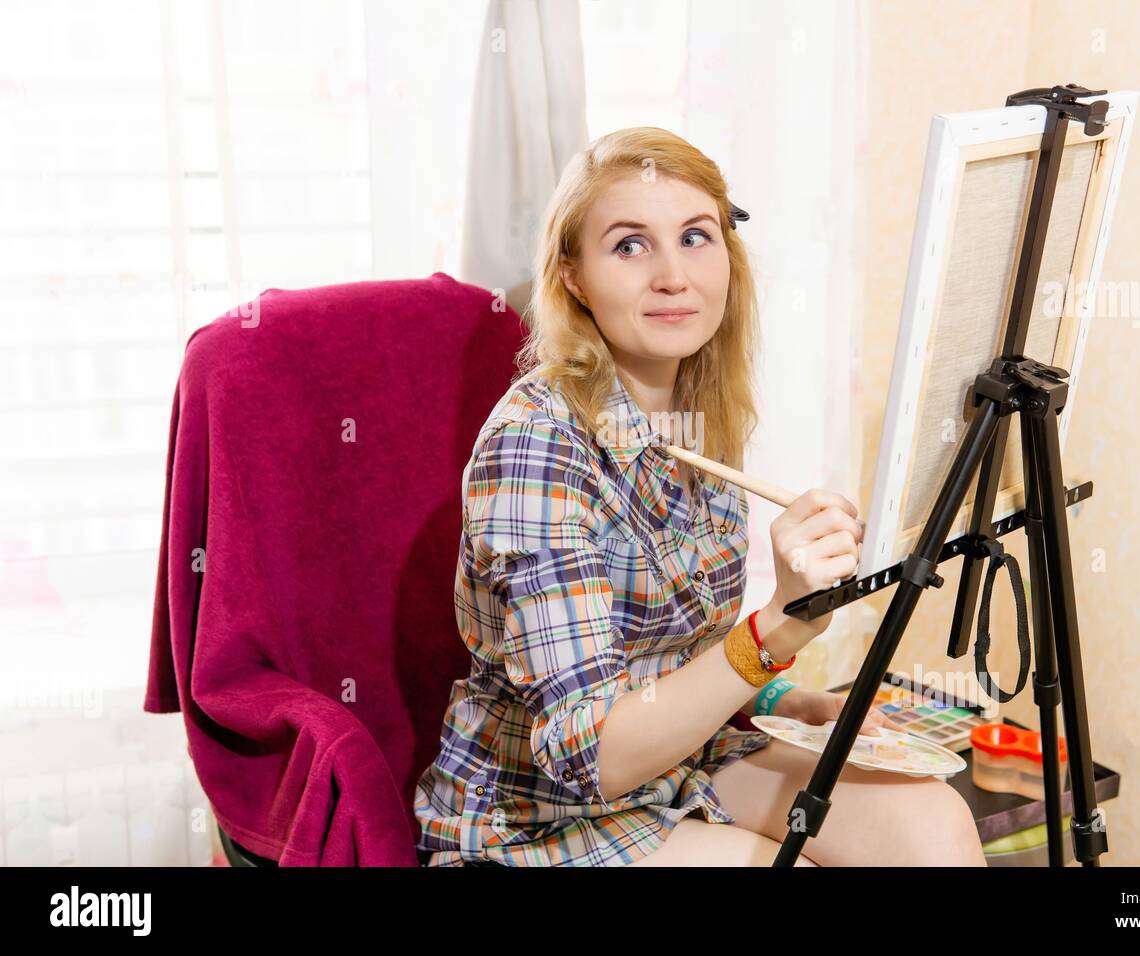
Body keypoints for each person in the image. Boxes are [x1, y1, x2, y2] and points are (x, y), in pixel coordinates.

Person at [413, 127, 986, 867]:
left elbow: (674, 651)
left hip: (682, 765)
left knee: (931, 822)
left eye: (694, 236)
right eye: (629, 245)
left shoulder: (697, 416)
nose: (674, 276)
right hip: (538, 815)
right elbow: (594, 757)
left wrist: (785, 703)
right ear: (574, 276)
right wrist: (777, 627)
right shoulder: (537, 448)